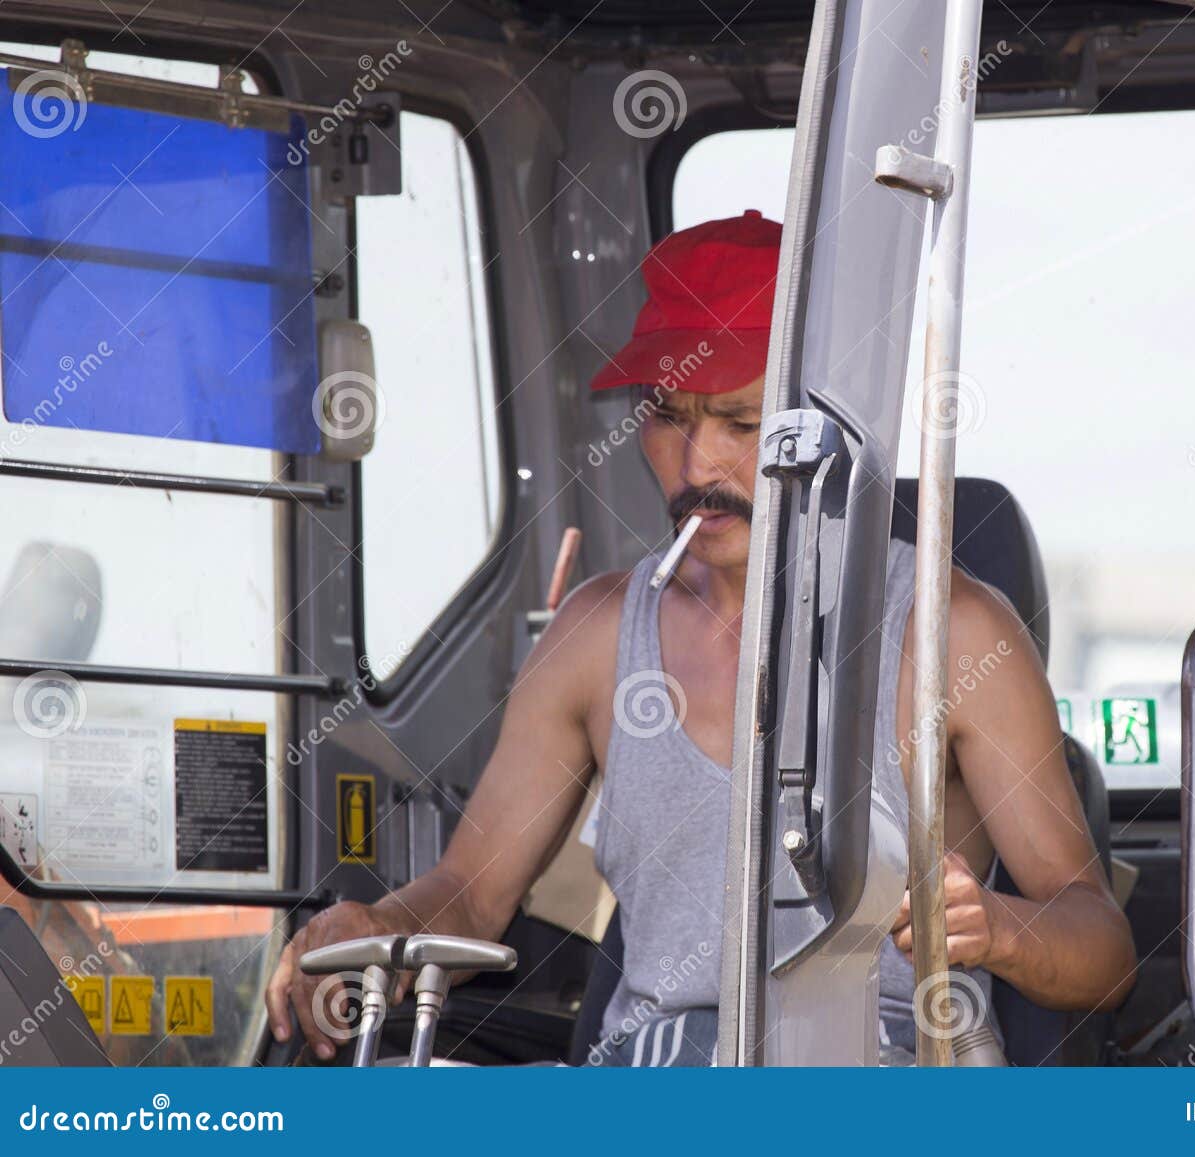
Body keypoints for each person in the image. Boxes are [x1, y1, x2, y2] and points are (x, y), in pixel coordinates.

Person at [265, 212, 1135, 1065]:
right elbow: (470, 894)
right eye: (667, 415)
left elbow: (1102, 948)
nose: (696, 468)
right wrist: (376, 926)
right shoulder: (597, 635)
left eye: (741, 423)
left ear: (827, 423)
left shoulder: (952, 635)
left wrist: (1002, 926)